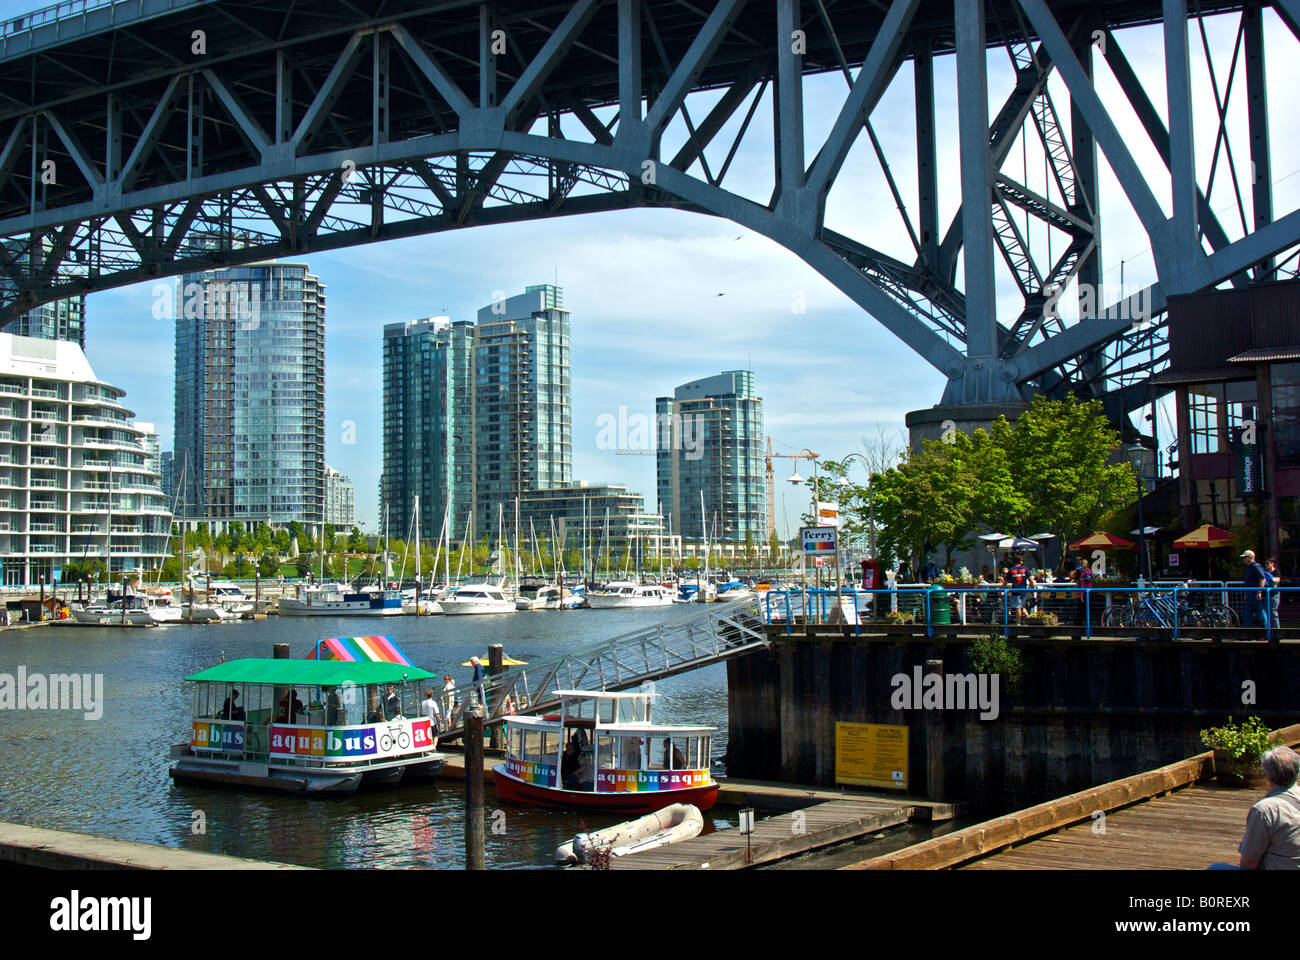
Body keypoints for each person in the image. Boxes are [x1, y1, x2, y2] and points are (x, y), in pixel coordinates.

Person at [1209, 746, 1300, 869]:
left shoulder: (1265, 810)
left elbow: (1249, 863)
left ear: (1265, 774)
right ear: (1297, 771)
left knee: (1215, 868)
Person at [1002, 554, 1035, 626]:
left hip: (1015, 591)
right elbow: (1031, 581)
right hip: (1024, 591)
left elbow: (1005, 582)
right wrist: (1032, 589)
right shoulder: (1025, 569)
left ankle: (1018, 623)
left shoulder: (1011, 570)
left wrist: (1001, 590)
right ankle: (1030, 619)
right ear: (1021, 561)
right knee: (1021, 606)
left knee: (1018, 607)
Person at [1242, 550, 1268, 628]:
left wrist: (1259, 591)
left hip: (1256, 594)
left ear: (1250, 558)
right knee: (1247, 614)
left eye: (1244, 557)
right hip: (1250, 594)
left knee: (1261, 614)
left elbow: (1262, 578)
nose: (1243, 560)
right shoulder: (1248, 568)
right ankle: (1247, 633)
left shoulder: (1255, 566)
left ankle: (1265, 632)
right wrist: (1246, 594)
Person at [1073, 556, 1093, 626]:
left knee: (1081, 609)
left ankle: (1079, 623)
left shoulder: (1082, 573)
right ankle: (1088, 623)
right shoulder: (1089, 572)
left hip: (1084, 592)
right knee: (1088, 609)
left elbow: (1083, 585)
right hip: (1089, 591)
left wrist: (1081, 596)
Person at [1265, 558, 1283, 629]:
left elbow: (1277, 580)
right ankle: (1269, 629)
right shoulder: (1265, 571)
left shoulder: (1276, 571)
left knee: (1273, 611)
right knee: (1267, 612)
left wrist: (1272, 579)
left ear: (1272, 563)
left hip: (1274, 593)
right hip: (1266, 593)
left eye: (1268, 563)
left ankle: (1276, 630)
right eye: (1266, 563)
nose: (1266, 565)